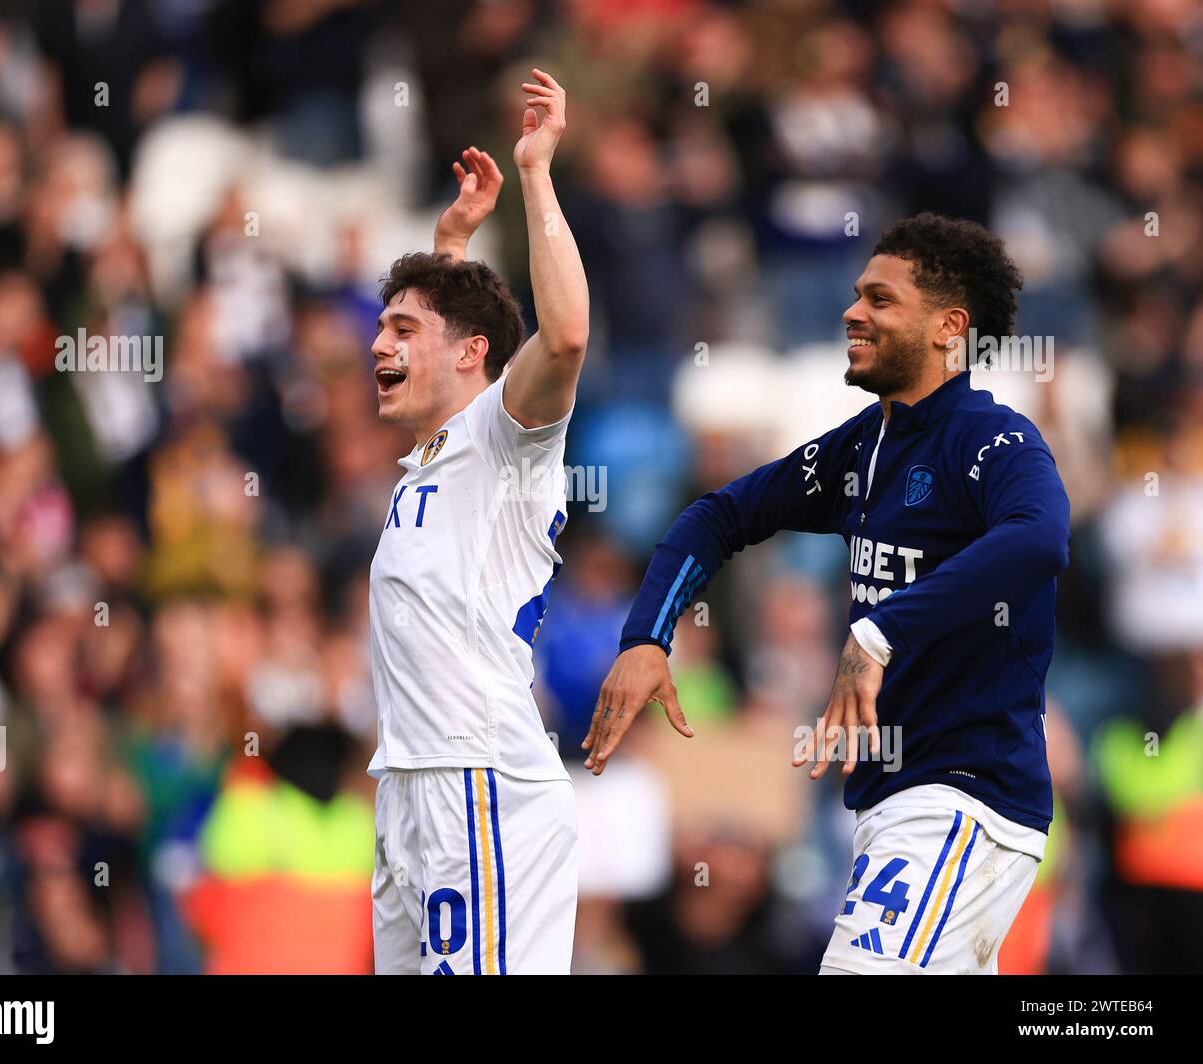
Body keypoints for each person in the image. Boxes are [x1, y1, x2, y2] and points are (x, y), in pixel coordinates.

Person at [585, 214, 1071, 975]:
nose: (853, 312)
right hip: (890, 805)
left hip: (963, 798)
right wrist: (647, 635)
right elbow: (718, 515)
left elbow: (1039, 541)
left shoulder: (994, 440)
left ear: (950, 327)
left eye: (880, 299)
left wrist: (878, 633)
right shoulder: (863, 446)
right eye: (855, 295)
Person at [366, 70, 588, 974]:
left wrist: (536, 173)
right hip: (408, 788)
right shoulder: (436, 452)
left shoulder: (507, 440)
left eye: (399, 330)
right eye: (380, 327)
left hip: (479, 783)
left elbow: (564, 334)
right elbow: (463, 330)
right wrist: (450, 242)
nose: (377, 345)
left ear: (471, 359)